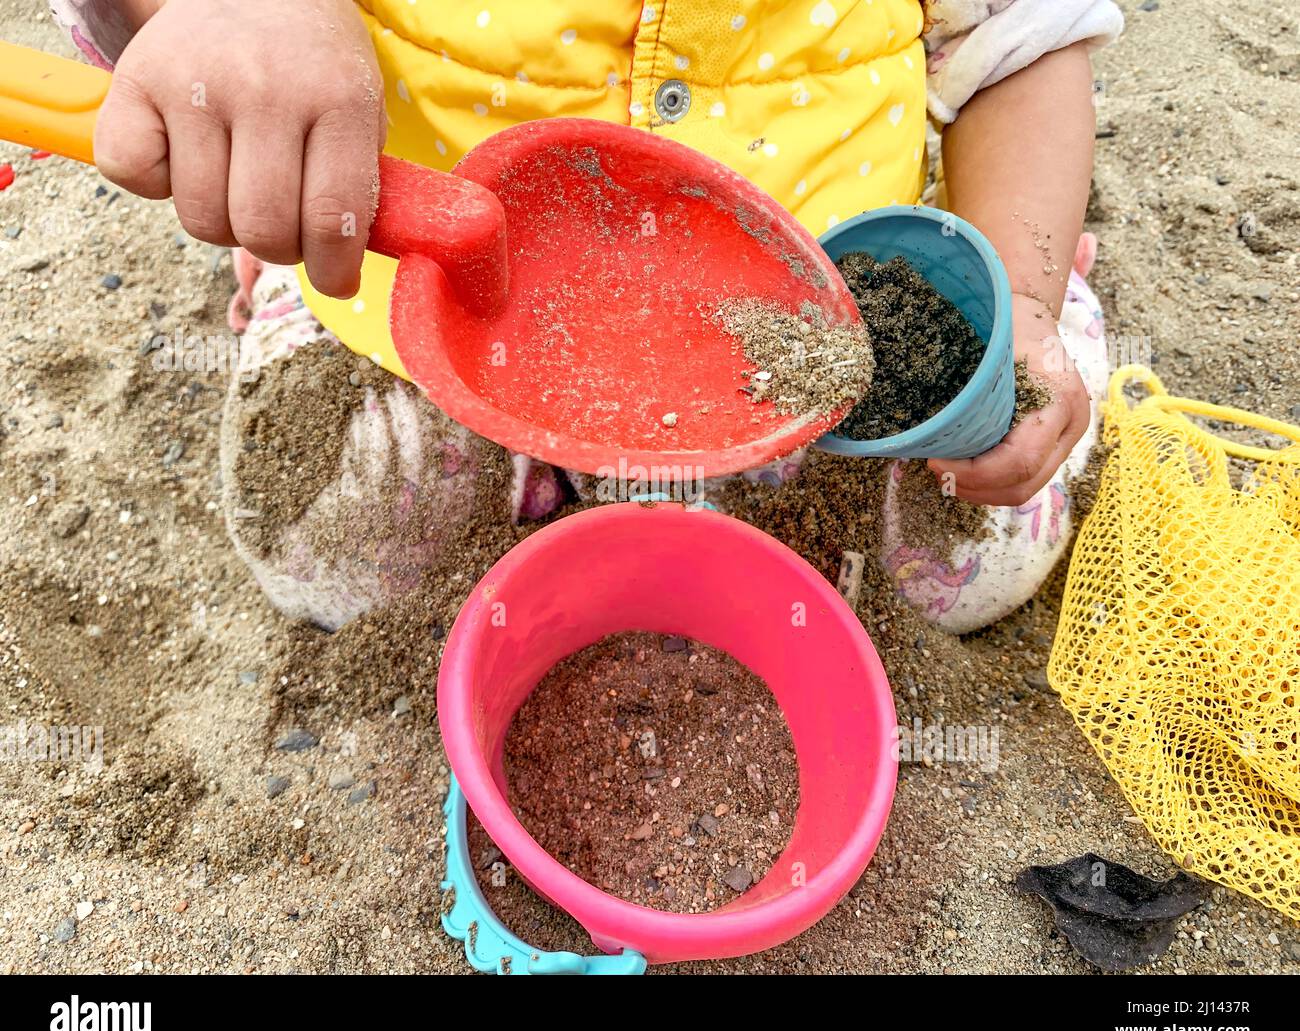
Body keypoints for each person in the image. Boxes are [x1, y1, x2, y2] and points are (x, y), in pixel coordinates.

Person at [52, 0, 1123, 634]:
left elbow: (1019, 46)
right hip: (432, 269)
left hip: (819, 313)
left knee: (972, 569)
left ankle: (999, 280)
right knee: (332, 557)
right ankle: (305, 245)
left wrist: (1020, 293)